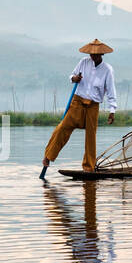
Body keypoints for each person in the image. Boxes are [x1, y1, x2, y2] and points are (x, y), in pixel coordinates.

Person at [41, 38, 116, 177]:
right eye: (91, 54)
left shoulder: (107, 70)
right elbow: (71, 76)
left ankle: (89, 167)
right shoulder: (83, 62)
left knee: (91, 136)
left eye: (95, 54)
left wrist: (112, 111)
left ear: (101, 55)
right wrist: (74, 78)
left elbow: (111, 91)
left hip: (93, 105)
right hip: (77, 101)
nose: (92, 56)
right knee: (63, 127)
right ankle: (48, 156)